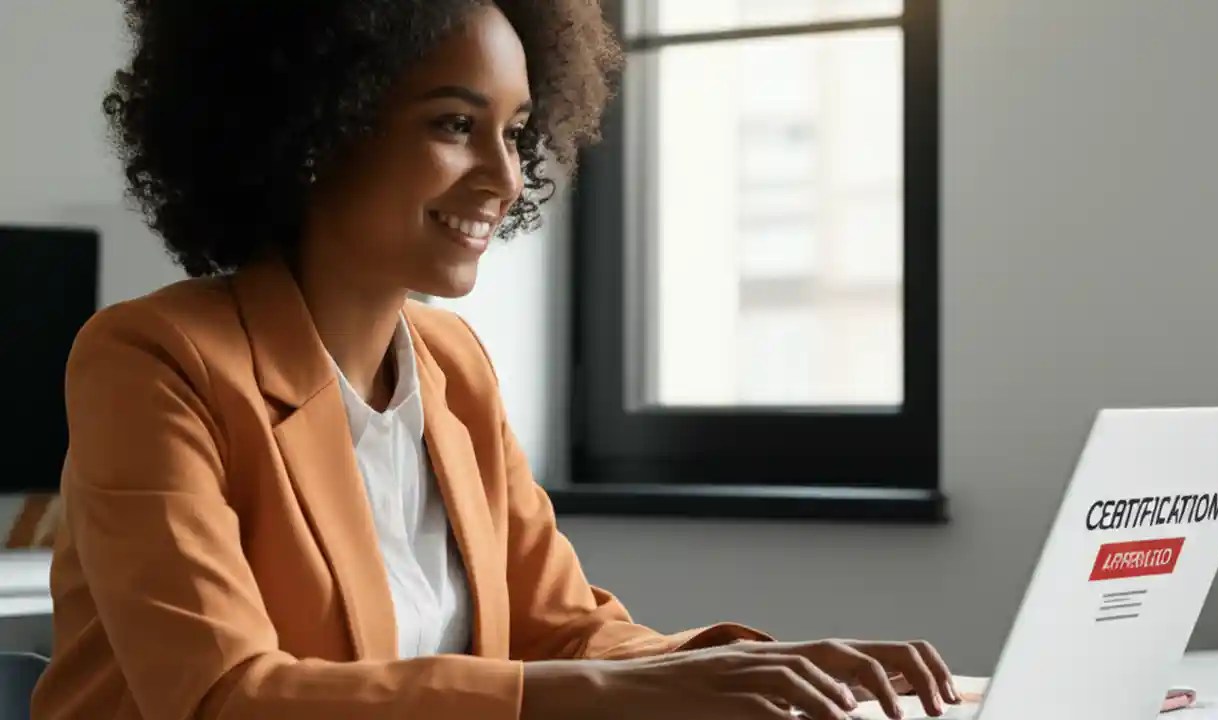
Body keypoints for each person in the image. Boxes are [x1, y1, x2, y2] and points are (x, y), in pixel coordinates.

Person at [31, 1, 962, 718]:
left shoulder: (451, 364)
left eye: (515, 132)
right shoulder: (155, 361)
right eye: (452, 124)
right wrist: (622, 699)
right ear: (317, 127)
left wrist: (760, 670)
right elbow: (226, 698)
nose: (507, 177)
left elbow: (560, 628)